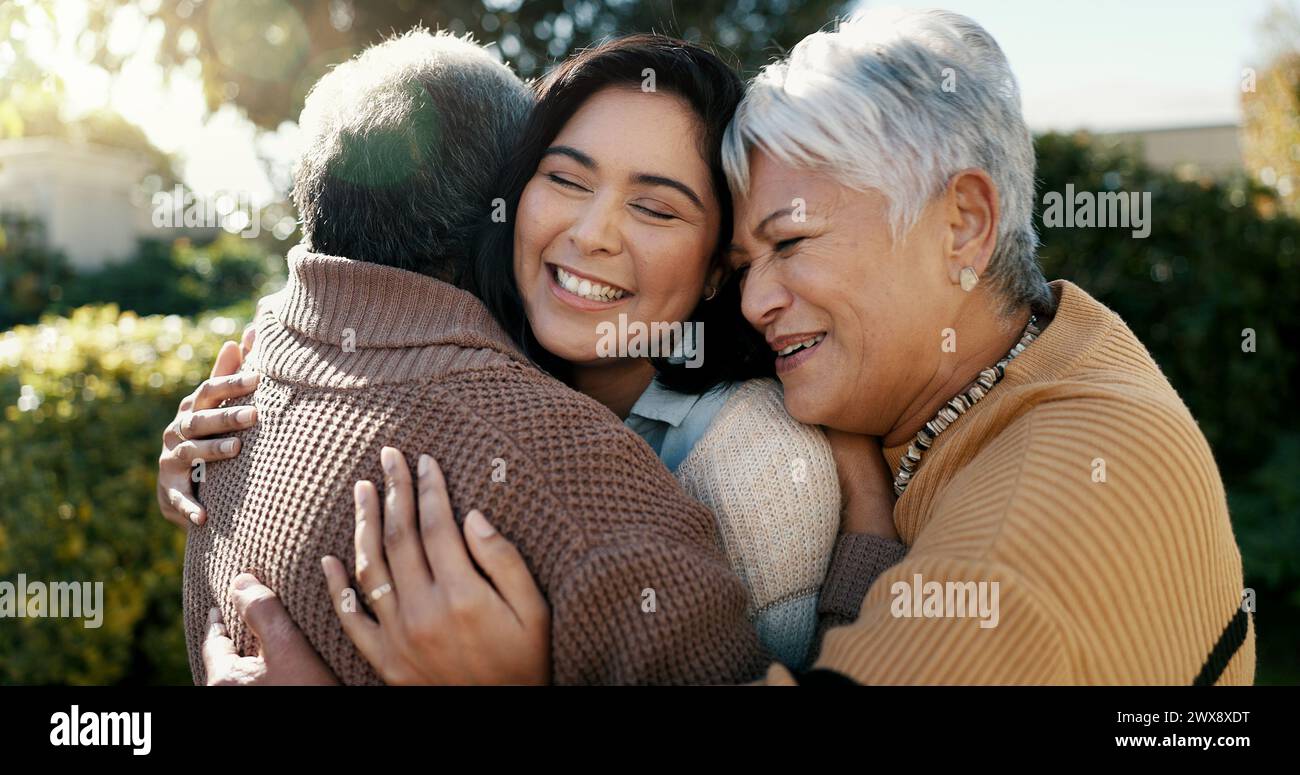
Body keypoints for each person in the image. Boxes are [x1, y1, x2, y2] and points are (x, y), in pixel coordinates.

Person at [214, 8, 1252, 685]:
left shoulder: (1053, 501)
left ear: (963, 227)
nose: (755, 298)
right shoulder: (953, 380)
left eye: (790, 243)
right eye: (747, 255)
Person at [163, 33, 908, 675]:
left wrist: (870, 525)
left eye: (654, 206)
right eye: (565, 178)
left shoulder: (758, 465)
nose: (592, 234)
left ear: (720, 264)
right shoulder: (462, 374)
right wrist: (218, 440)